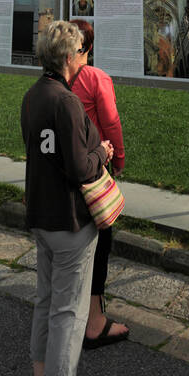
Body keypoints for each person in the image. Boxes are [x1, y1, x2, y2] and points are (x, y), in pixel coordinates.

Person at [21, 20, 115, 376]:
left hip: (41, 214)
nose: (83, 57)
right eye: (79, 51)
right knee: (69, 314)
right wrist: (103, 154)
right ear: (67, 58)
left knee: (45, 304)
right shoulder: (67, 101)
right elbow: (81, 168)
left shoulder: (32, 96)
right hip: (70, 220)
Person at [67, 23, 128, 347]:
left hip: (63, 173)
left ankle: (68, 312)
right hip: (93, 169)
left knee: (70, 240)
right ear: (89, 47)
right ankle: (94, 320)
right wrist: (117, 159)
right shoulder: (95, 78)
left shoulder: (54, 81)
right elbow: (111, 121)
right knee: (100, 240)